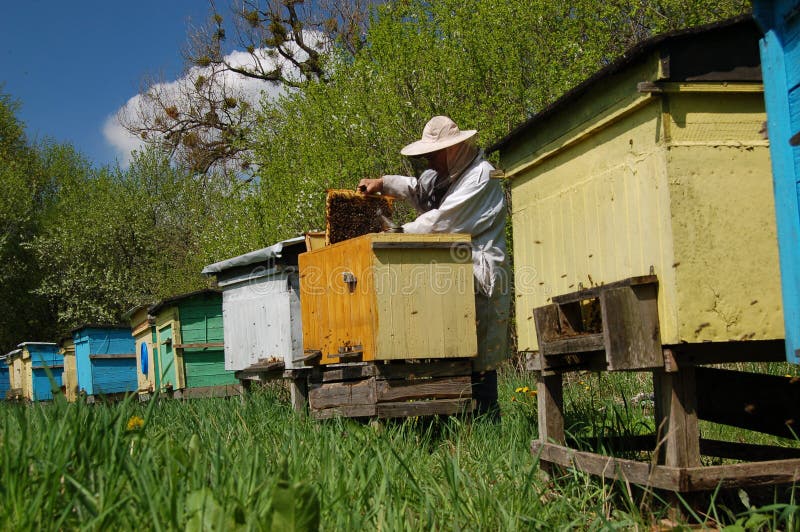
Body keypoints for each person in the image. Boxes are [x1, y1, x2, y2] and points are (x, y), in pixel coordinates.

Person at [358, 116, 510, 419]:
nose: (428, 158)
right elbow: (417, 188)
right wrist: (383, 183)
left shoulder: (483, 176)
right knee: (448, 344)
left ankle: (487, 420)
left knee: (478, 353)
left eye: (433, 152)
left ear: (452, 149)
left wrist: (397, 234)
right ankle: (451, 417)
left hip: (480, 272)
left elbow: (442, 222)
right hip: (450, 273)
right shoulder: (445, 173)